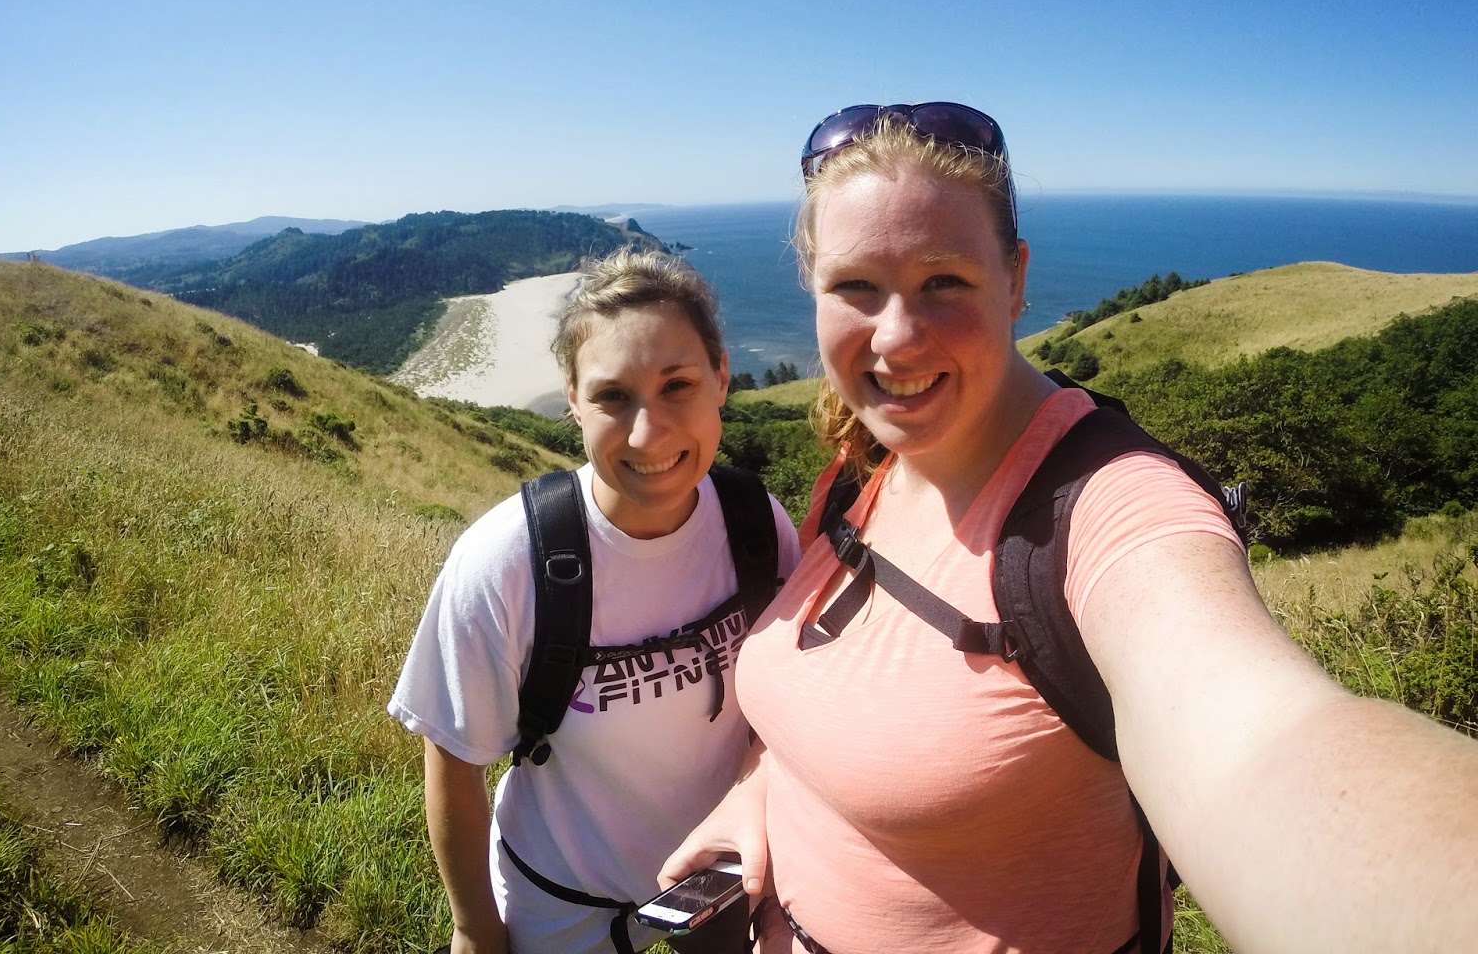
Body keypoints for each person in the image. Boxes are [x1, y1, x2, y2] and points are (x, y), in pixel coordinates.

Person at [661, 103, 1478, 952]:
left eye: (945, 282)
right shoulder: (864, 466)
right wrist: (758, 792)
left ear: (1015, 279)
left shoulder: (1111, 511)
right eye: (855, 287)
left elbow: (1268, 744)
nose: (896, 339)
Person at [389, 248, 801, 954]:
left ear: (721, 378)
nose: (648, 433)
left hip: (715, 876)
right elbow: (455, 760)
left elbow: (785, 708)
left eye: (678, 385)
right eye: (613, 396)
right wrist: (473, 928)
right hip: (560, 897)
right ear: (574, 401)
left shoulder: (757, 526)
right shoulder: (507, 561)